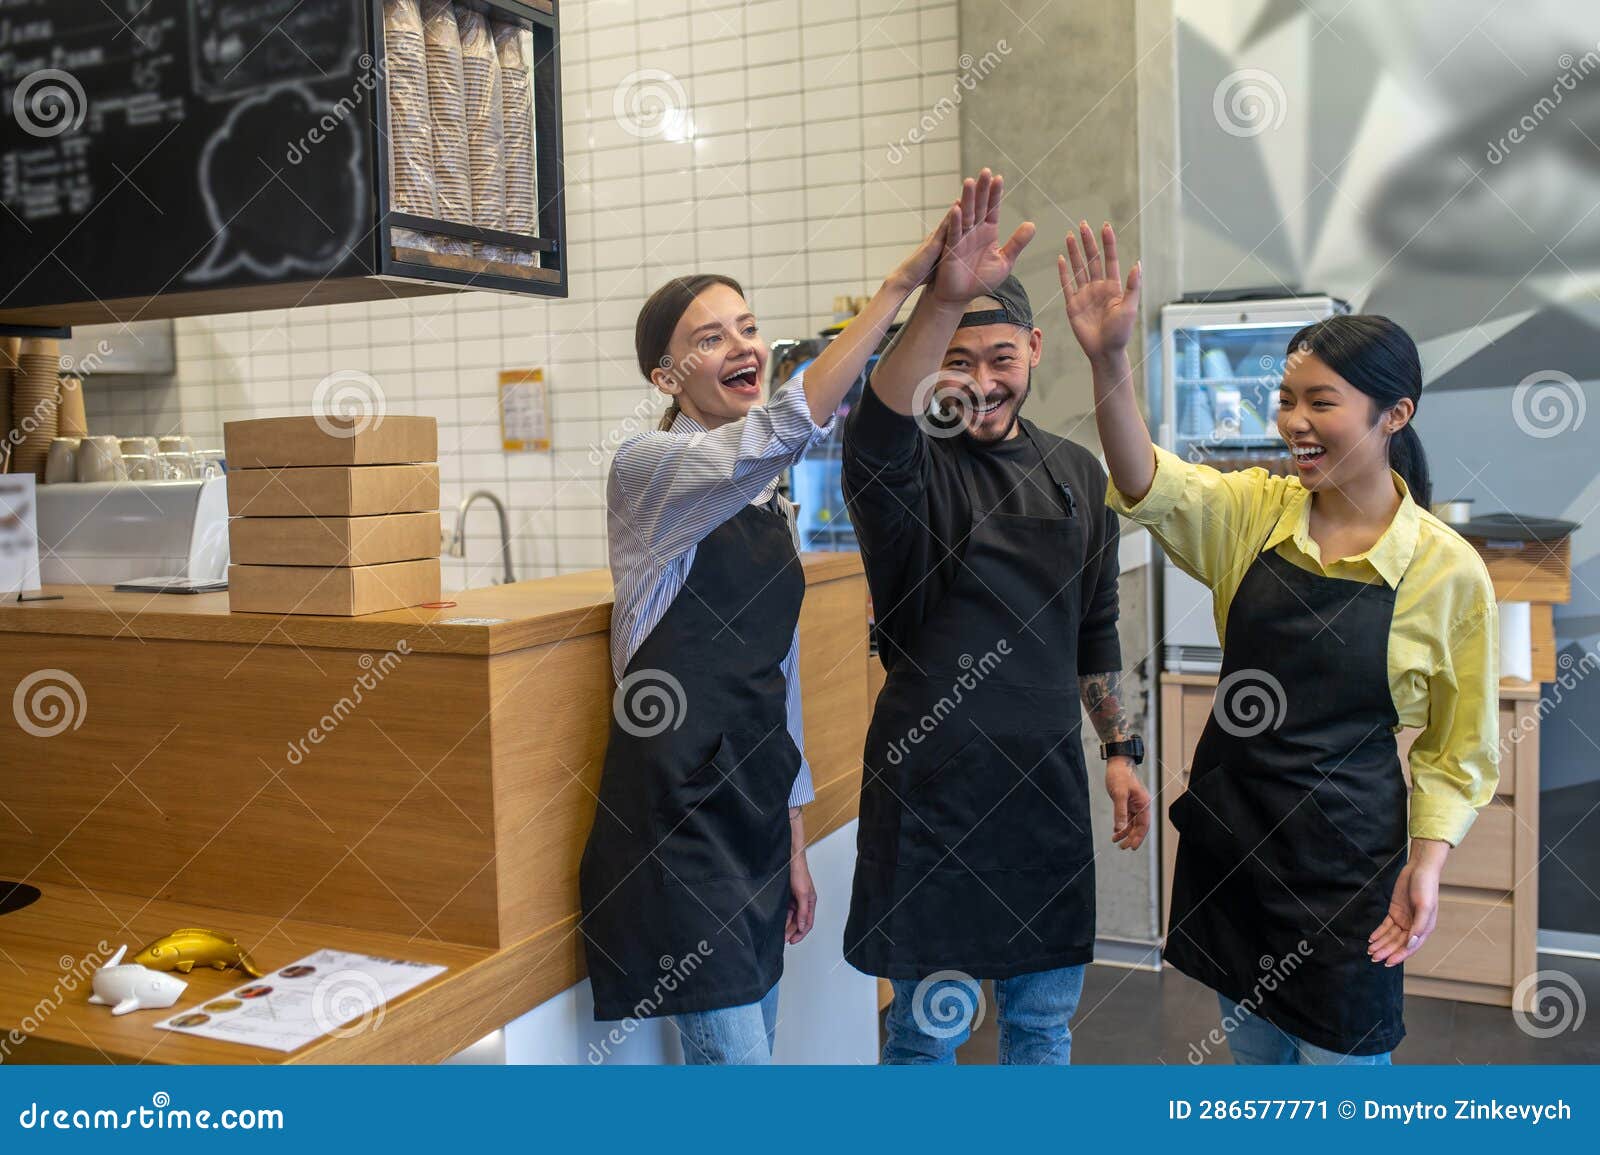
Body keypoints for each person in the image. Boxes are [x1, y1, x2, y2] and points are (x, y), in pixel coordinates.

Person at [1060, 219, 1499, 1064]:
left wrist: (1429, 862)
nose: (1294, 420)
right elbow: (1143, 480)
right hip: (1238, 849)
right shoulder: (1256, 511)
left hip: (1346, 870)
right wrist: (1109, 360)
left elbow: (1459, 749)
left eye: (1320, 402)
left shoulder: (1446, 571)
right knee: (1257, 1070)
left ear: (1394, 414)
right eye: (1287, 398)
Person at [577, 194, 963, 1064]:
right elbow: (782, 430)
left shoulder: (769, 506)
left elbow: (777, 683)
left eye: (748, 328)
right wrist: (900, 287)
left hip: (752, 815)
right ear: (665, 378)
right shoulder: (647, 470)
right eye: (709, 338)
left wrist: (791, 838)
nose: (742, 346)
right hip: (676, 828)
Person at [841, 170, 1151, 1065]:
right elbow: (877, 428)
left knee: (1041, 1026)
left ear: (1036, 350)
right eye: (958, 360)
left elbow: (1096, 623)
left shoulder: (1078, 474)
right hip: (930, 792)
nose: (981, 382)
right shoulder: (908, 467)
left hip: (1043, 795)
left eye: (1001, 359)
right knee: (923, 1035)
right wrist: (937, 302)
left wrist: (1120, 750)